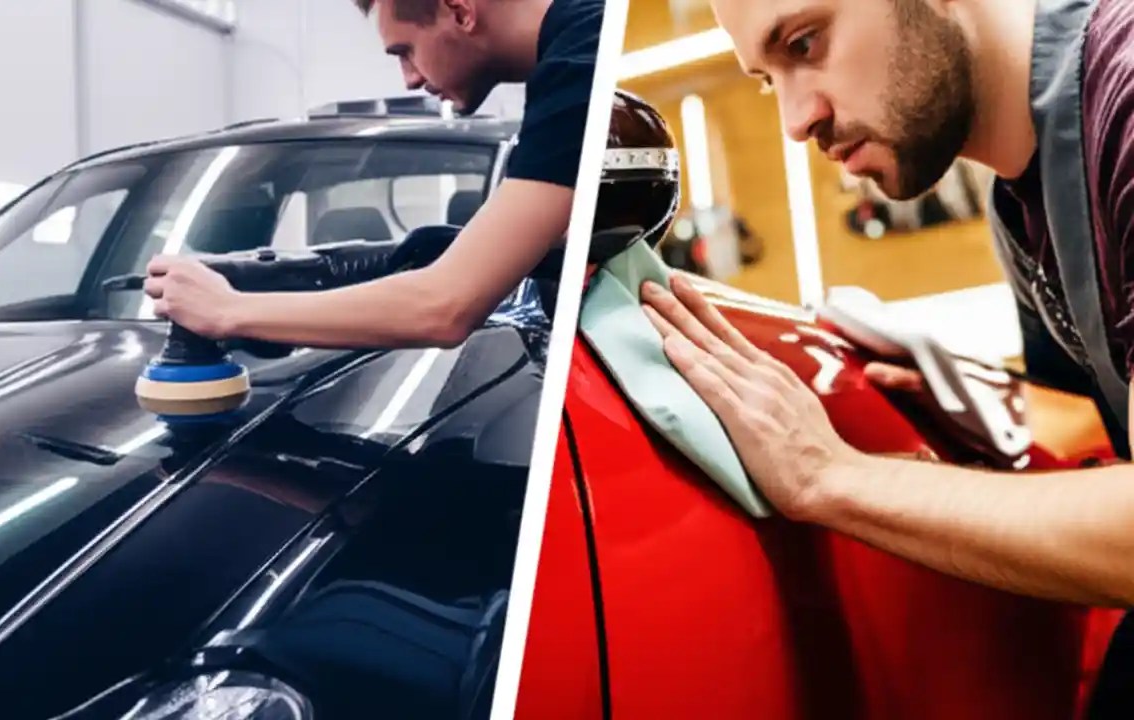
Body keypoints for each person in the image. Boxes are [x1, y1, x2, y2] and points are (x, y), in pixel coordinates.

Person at [639, 0, 1134, 712]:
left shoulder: (1125, 95)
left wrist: (828, 476)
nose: (794, 119)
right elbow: (1100, 455)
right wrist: (968, 407)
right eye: (767, 80)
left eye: (805, 43)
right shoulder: (1018, 207)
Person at [142, 0, 602, 349]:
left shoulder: (583, 66)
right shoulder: (574, 57)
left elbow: (444, 306)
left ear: (459, 10)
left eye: (405, 51)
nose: (409, 79)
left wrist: (227, 310)